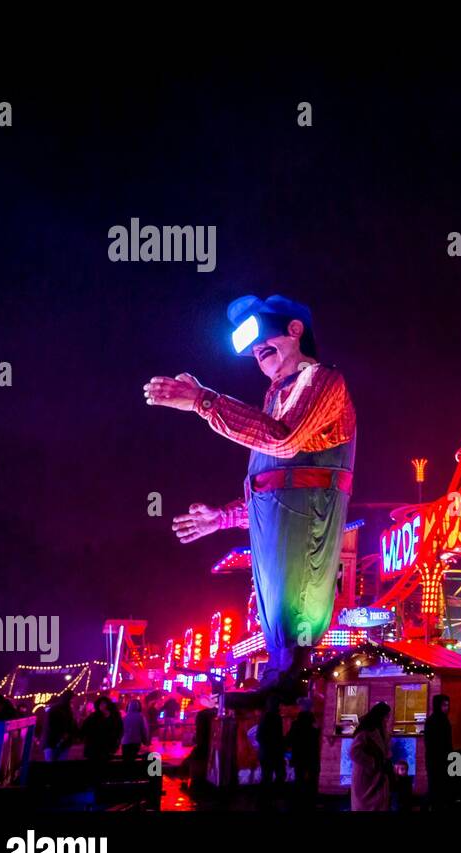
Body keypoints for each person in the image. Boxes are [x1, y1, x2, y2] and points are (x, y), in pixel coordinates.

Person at [146, 294, 356, 700]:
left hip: (305, 549)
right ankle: (280, 682)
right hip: (282, 541)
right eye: (254, 352)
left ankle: (290, 684)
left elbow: (284, 440)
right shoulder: (276, 398)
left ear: (295, 331)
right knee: (279, 626)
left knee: (294, 625)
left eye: (266, 341)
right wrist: (221, 518)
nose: (259, 354)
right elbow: (277, 494)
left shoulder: (324, 382)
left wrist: (204, 402)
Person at [350, 702, 391, 811]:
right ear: (380, 716)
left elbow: (384, 749)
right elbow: (354, 752)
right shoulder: (366, 732)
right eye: (386, 716)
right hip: (366, 777)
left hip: (377, 777)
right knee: (365, 806)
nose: (388, 719)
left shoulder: (381, 730)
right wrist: (372, 762)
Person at [287, 698, 321, 808]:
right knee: (312, 780)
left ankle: (298, 803)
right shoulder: (314, 724)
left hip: (299, 755)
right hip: (312, 755)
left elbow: (290, 739)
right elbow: (318, 739)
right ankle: (311, 802)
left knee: (299, 779)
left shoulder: (296, 723)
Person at [424, 694, 454, 810]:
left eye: (447, 705)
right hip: (437, 759)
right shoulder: (437, 721)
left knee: (437, 787)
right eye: (444, 705)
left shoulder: (437, 720)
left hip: (438, 759)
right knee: (437, 787)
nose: (446, 708)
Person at [257, 694, 287, 801]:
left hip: (265, 752)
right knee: (279, 774)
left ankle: (265, 800)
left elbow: (259, 736)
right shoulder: (276, 718)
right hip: (274, 752)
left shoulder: (264, 717)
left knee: (267, 776)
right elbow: (278, 736)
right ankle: (272, 799)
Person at [43, 689, 77, 762]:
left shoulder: (67, 710)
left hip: (59, 742)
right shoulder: (59, 710)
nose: (73, 701)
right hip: (55, 741)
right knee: (54, 763)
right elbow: (52, 726)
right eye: (72, 698)